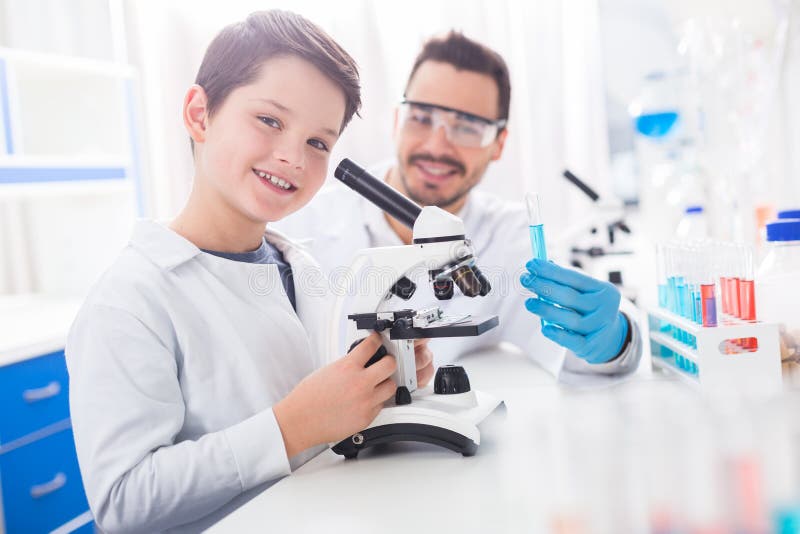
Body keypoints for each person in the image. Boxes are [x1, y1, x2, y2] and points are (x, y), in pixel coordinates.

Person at [66, 11, 433, 532]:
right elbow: (124, 502)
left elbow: (324, 432)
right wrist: (288, 428)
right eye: (270, 121)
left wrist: (379, 387)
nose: (293, 157)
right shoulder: (128, 302)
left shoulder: (299, 269)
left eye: (318, 143)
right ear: (199, 114)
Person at [276, 31, 642, 377]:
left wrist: (616, 337)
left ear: (498, 143)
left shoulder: (507, 238)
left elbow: (582, 353)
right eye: (421, 117)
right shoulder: (302, 225)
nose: (438, 146)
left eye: (467, 126)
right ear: (396, 121)